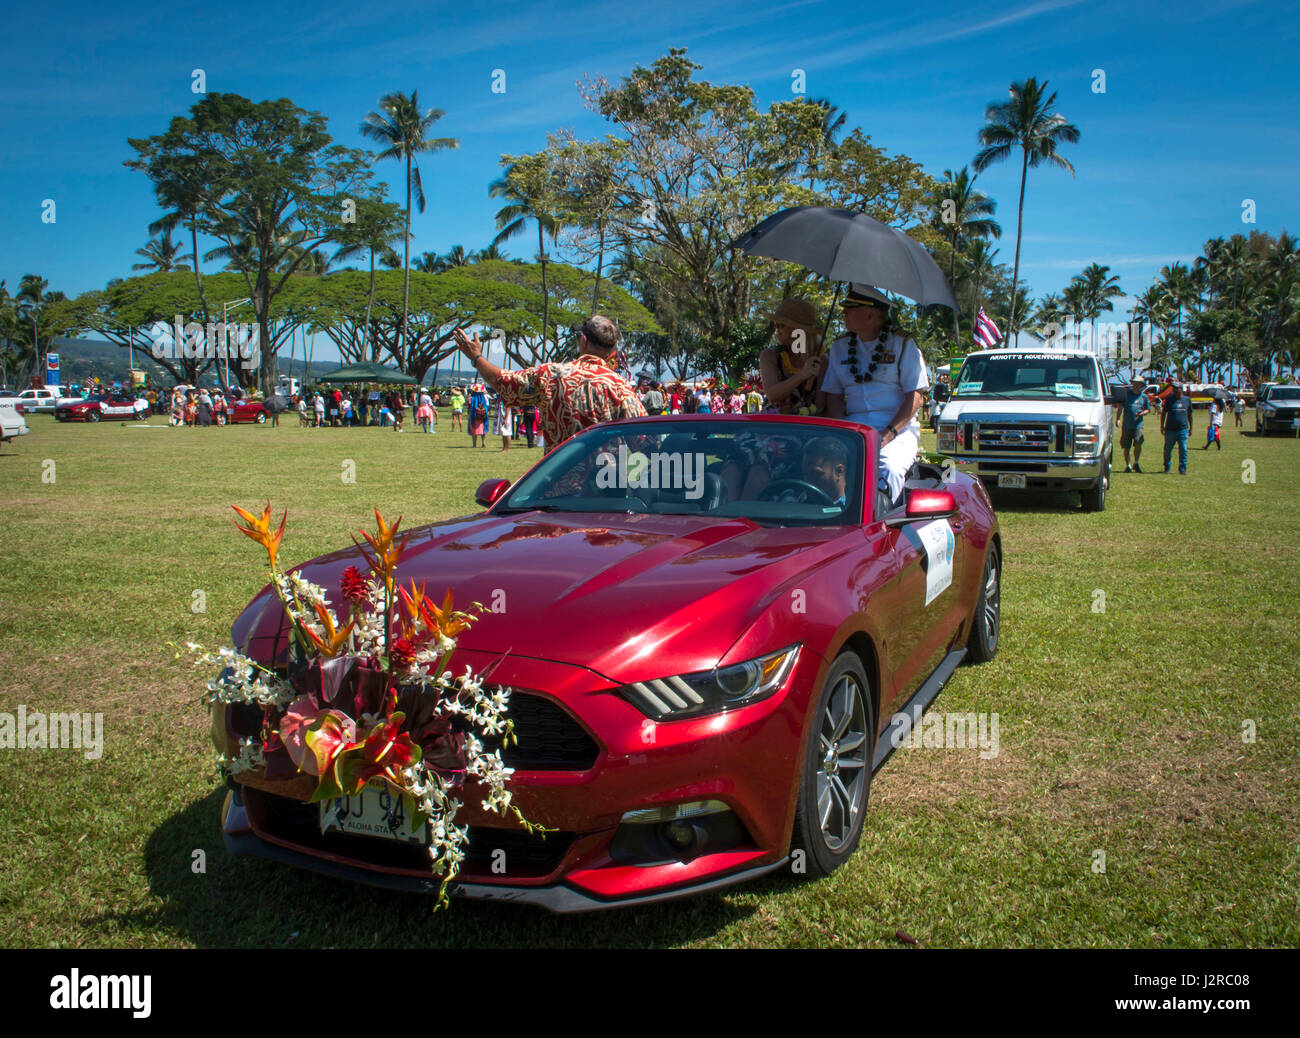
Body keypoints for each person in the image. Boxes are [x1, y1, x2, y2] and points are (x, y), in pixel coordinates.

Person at [452, 314, 646, 454]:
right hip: (607, 491)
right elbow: (643, 441)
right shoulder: (621, 386)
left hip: (559, 487)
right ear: (612, 351)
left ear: (584, 341)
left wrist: (476, 357)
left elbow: (502, 382)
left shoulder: (550, 375)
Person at [821, 284, 929, 503]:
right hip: (853, 428)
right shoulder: (840, 347)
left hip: (896, 430)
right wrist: (844, 433)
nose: (844, 313)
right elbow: (833, 395)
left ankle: (881, 526)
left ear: (870, 314)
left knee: (888, 467)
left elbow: (916, 396)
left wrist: (887, 435)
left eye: (850, 309)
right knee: (822, 465)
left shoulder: (903, 345)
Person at [758, 298, 825, 415]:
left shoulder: (822, 360)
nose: (776, 328)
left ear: (799, 330)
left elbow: (820, 406)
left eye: (781, 324)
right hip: (774, 427)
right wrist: (802, 375)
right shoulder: (770, 355)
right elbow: (772, 395)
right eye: (775, 324)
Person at [1120, 375, 1151, 472]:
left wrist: (1142, 413)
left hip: (1138, 425)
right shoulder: (1127, 394)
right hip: (1126, 425)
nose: (1136, 385)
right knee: (1126, 446)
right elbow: (1121, 407)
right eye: (1135, 383)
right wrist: (1118, 419)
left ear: (1141, 385)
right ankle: (1128, 465)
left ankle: (1136, 463)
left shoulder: (1144, 397)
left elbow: (1148, 409)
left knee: (1138, 443)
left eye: (1138, 383)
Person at [1161, 383, 1193, 474]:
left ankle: (1182, 468)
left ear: (1181, 389)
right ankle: (1167, 466)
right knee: (1168, 449)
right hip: (1170, 429)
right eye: (1173, 389)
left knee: (1183, 449)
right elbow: (1164, 413)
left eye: (1176, 388)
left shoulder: (1187, 400)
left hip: (1183, 429)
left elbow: (1190, 414)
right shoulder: (1169, 400)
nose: (1174, 390)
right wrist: (1162, 425)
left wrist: (1191, 428)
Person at [466, 382, 489, 447]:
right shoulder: (484, 397)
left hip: (474, 415)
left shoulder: (471, 397)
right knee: (483, 429)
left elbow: (469, 404)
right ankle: (483, 443)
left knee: (474, 429)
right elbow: (487, 405)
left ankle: (474, 444)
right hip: (483, 415)